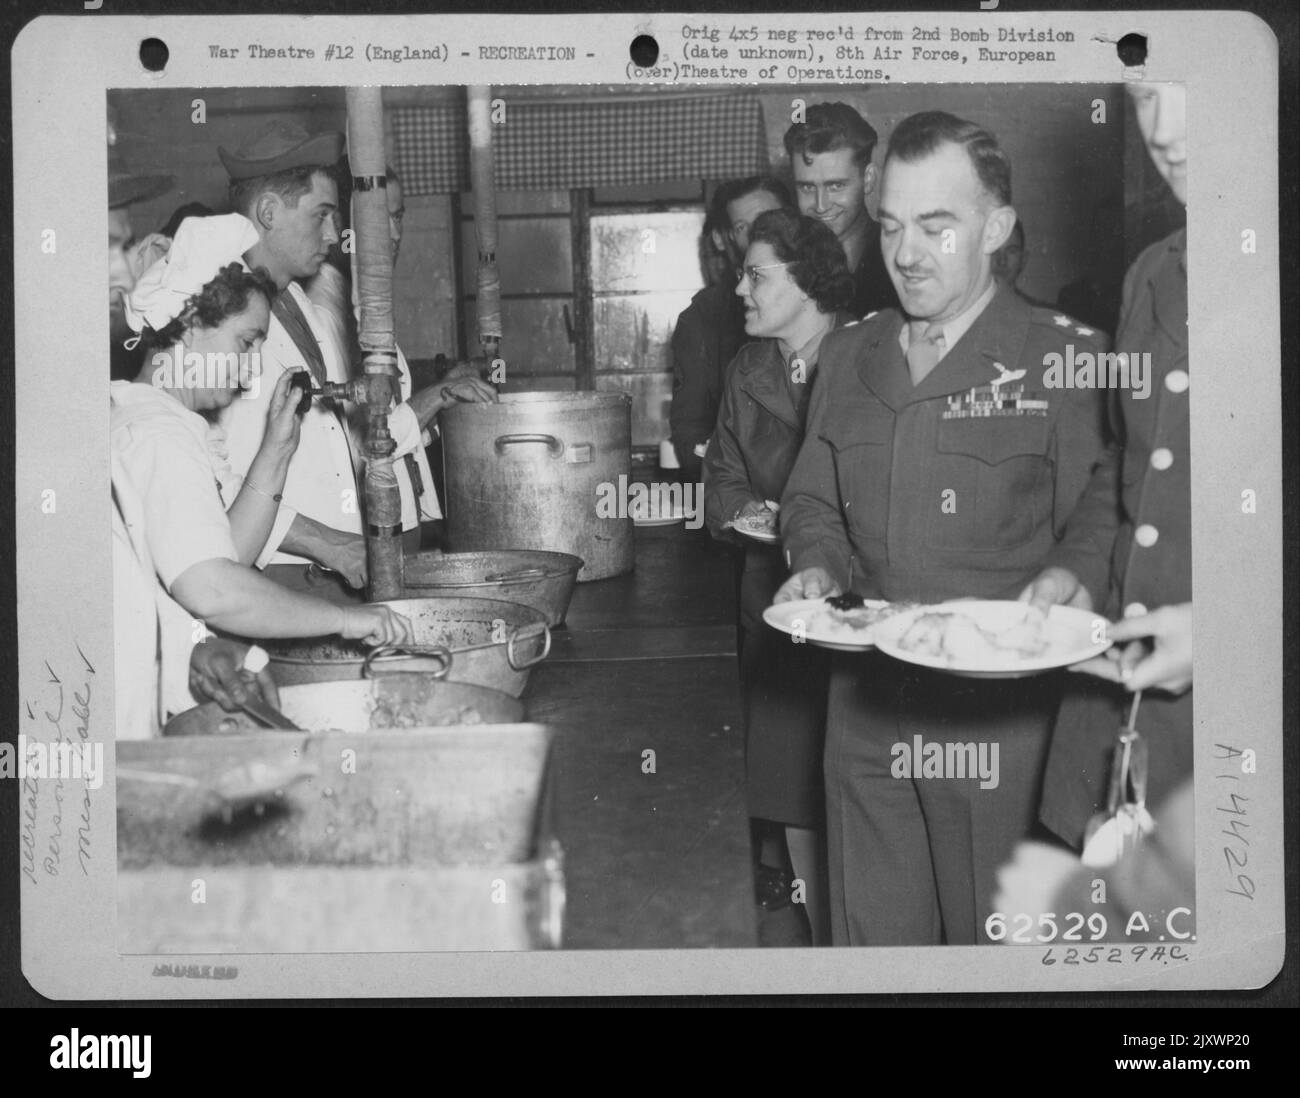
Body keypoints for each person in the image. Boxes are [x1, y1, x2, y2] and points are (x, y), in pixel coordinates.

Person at [774, 111, 1110, 946]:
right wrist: (816, 566)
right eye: (890, 226)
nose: (906, 254)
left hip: (1002, 729)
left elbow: (1109, 508)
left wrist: (1073, 572)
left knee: (996, 956)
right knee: (873, 946)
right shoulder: (850, 356)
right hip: (864, 709)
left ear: (996, 227)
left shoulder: (1067, 359)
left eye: (937, 226)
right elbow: (811, 499)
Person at [113, 214, 413, 738]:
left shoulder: (169, 423)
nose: (252, 369)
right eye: (245, 342)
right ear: (190, 323)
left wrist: (276, 449)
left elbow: (228, 551)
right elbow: (213, 591)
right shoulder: (156, 434)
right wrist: (346, 620)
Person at [1022, 83, 1192, 864]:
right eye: (1147, 93)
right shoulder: (1151, 272)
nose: (1162, 127)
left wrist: (1230, 633)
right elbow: (1130, 460)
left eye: (1196, 86)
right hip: (1118, 726)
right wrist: (1075, 573)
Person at [704, 209, 858, 945]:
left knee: (857, 782)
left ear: (809, 282)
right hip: (772, 597)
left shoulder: (867, 355)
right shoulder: (749, 369)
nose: (740, 288)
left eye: (757, 274)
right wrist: (744, 513)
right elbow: (720, 479)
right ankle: (815, 940)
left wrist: (816, 530)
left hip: (855, 604)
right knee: (790, 772)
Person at [306, 163, 496, 551]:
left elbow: (399, 423)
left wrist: (446, 399)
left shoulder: (358, 302)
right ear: (340, 227)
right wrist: (441, 394)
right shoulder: (325, 314)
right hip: (373, 532)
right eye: (381, 220)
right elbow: (364, 445)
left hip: (405, 524)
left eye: (398, 217)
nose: (394, 234)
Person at [669, 176, 792, 480]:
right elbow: (691, 430)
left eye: (768, 220)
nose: (756, 236)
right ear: (724, 239)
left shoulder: (822, 303)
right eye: (742, 227)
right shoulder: (704, 317)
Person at [783, 102, 899, 319]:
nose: (820, 205)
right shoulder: (788, 266)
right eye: (807, 187)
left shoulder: (898, 259)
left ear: (868, 180)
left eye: (835, 186)